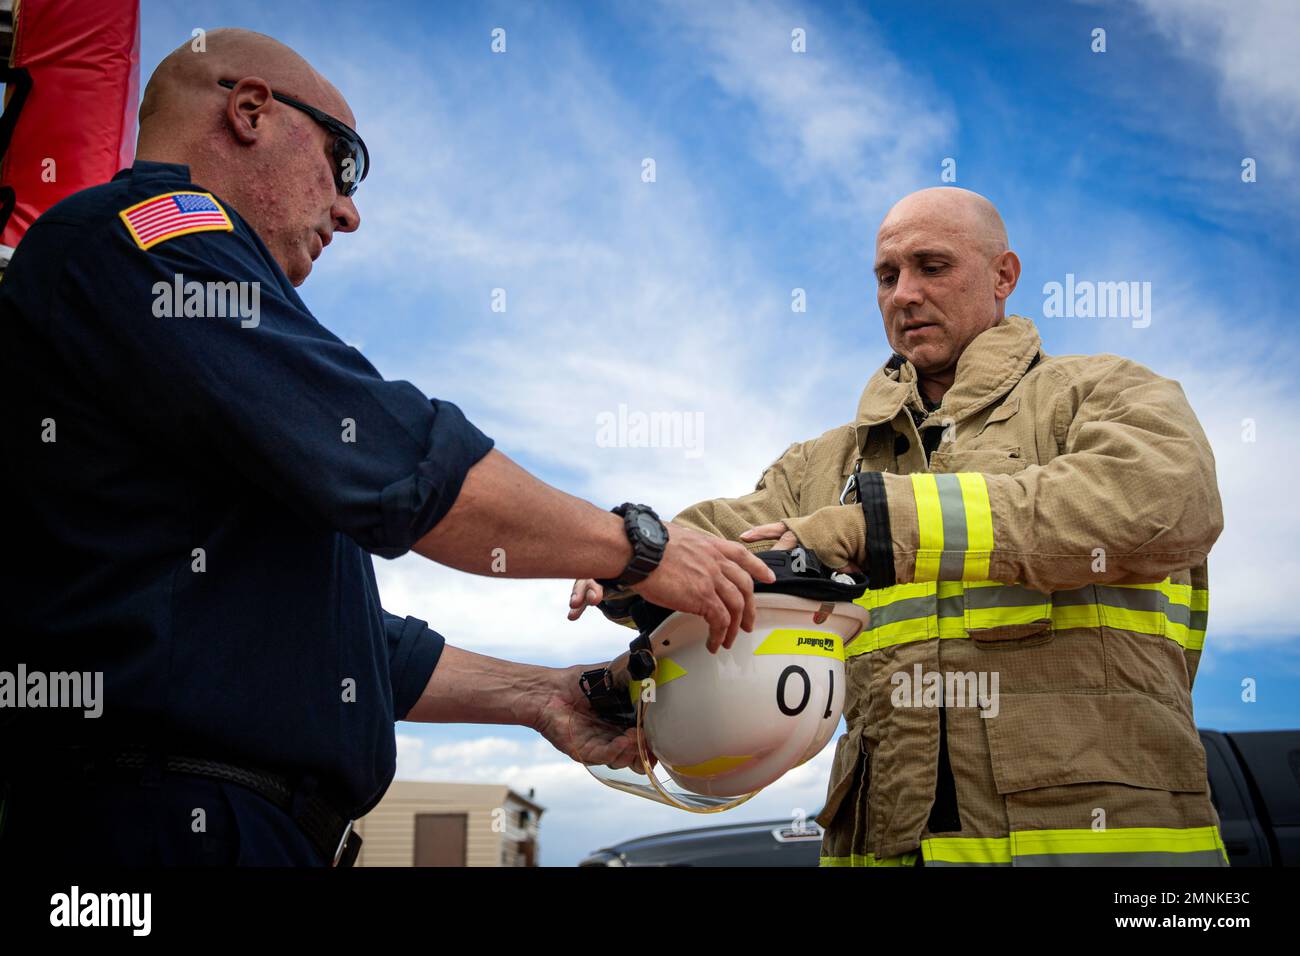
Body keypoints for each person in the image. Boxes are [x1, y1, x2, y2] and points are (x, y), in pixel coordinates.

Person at [0, 28, 774, 867]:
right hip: (159, 826)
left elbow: (344, 641)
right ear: (251, 111)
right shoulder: (141, 242)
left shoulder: (177, 329)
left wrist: (543, 694)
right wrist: (640, 548)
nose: (349, 209)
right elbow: (405, 467)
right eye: (345, 163)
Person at [571, 187, 1228, 867]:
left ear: (1004, 276)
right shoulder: (819, 465)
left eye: (932, 267)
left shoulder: (1103, 393)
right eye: (887, 276)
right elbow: (715, 542)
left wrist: (874, 527)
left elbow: (1163, 500)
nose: (904, 293)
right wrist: (629, 552)